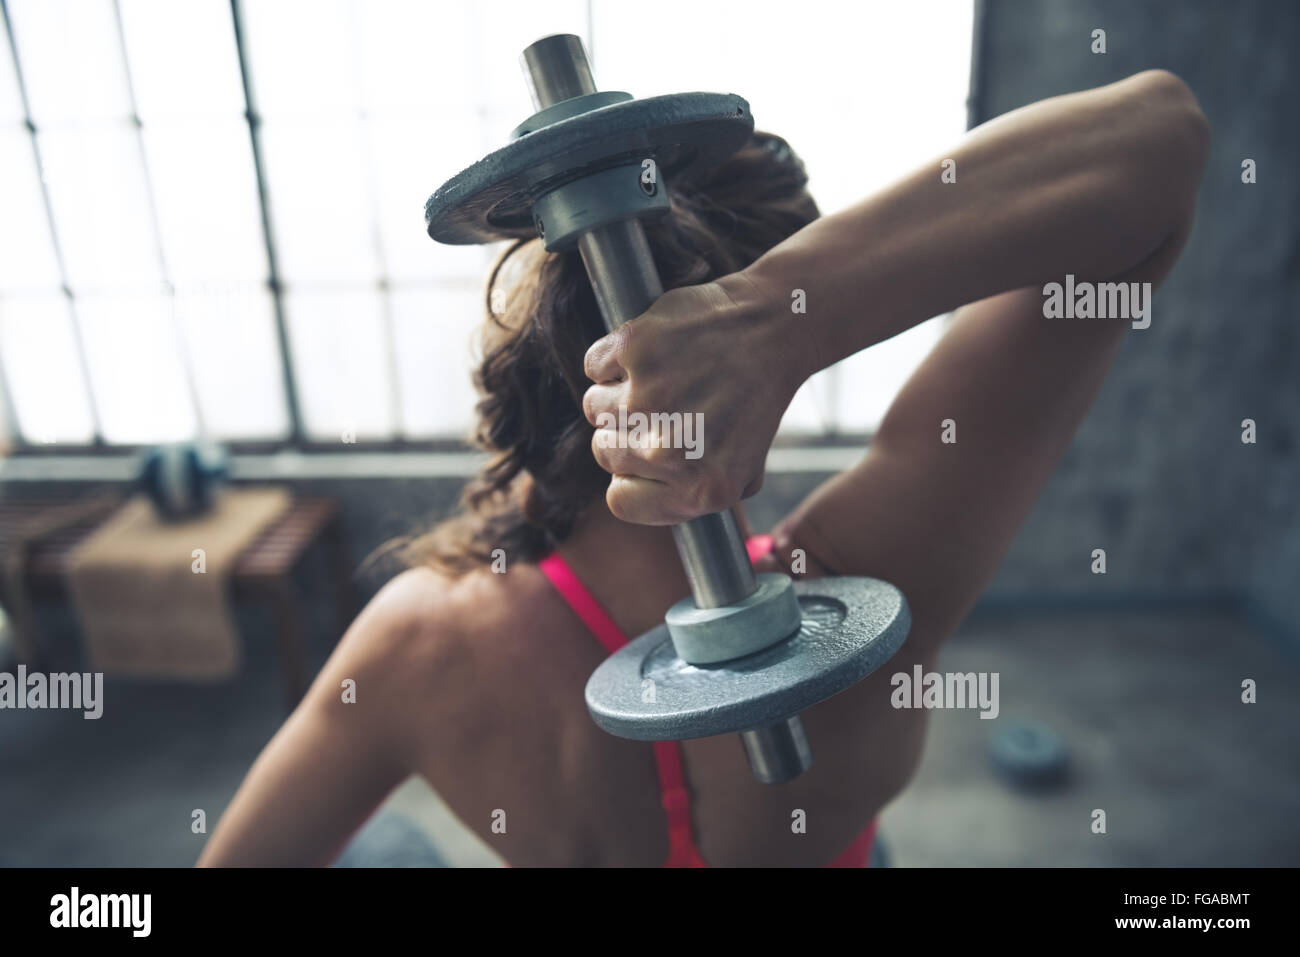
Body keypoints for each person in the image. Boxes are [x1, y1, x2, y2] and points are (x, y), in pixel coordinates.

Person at [199, 69, 1209, 867]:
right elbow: (1161, 147)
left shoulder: (415, 639)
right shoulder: (875, 570)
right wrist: (779, 316)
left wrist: (753, 318)